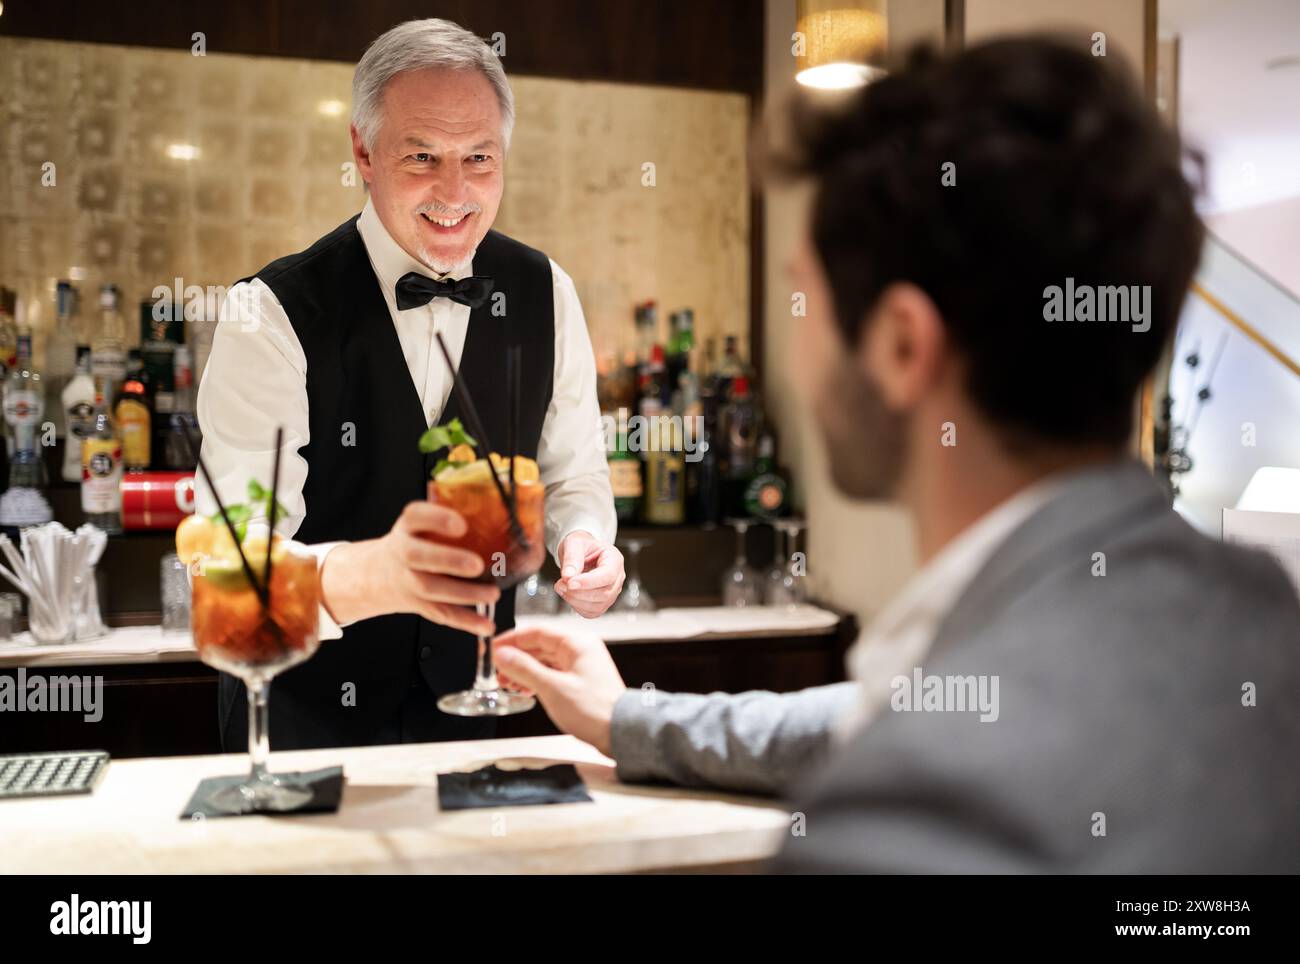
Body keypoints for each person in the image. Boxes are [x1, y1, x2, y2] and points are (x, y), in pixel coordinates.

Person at [491, 37, 1300, 872]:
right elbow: (880, 713)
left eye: (804, 293)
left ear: (902, 347)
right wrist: (630, 720)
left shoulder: (915, 822)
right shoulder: (1258, 610)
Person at [197, 19, 623, 751]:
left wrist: (584, 541)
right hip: (305, 733)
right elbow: (228, 569)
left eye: (479, 158)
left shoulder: (546, 291)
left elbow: (573, 473)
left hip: (482, 725)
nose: (455, 192)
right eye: (422, 155)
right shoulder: (266, 314)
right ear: (364, 152)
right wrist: (379, 577)